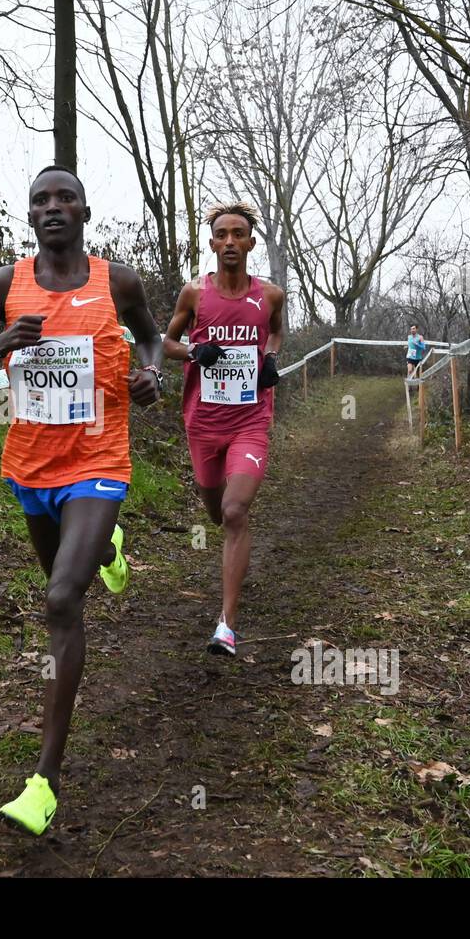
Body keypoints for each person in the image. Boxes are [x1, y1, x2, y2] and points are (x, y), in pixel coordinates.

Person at [0, 164, 164, 835]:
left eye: (64, 197)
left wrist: (151, 370)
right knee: (63, 582)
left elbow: (151, 334)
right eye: (41, 199)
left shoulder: (116, 282)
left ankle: (43, 783)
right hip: (31, 469)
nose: (52, 207)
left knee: (62, 601)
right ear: (30, 216)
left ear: (85, 212)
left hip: (99, 461)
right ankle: (105, 546)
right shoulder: (2, 287)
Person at [162, 201, 284, 656]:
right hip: (203, 422)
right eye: (222, 234)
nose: (230, 241)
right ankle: (222, 521)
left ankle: (227, 625)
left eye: (239, 234)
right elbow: (166, 342)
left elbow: (276, 333)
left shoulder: (270, 295)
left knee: (235, 511)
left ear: (251, 243)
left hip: (250, 420)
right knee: (215, 507)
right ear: (212, 243)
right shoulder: (194, 293)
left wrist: (270, 358)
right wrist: (195, 353)